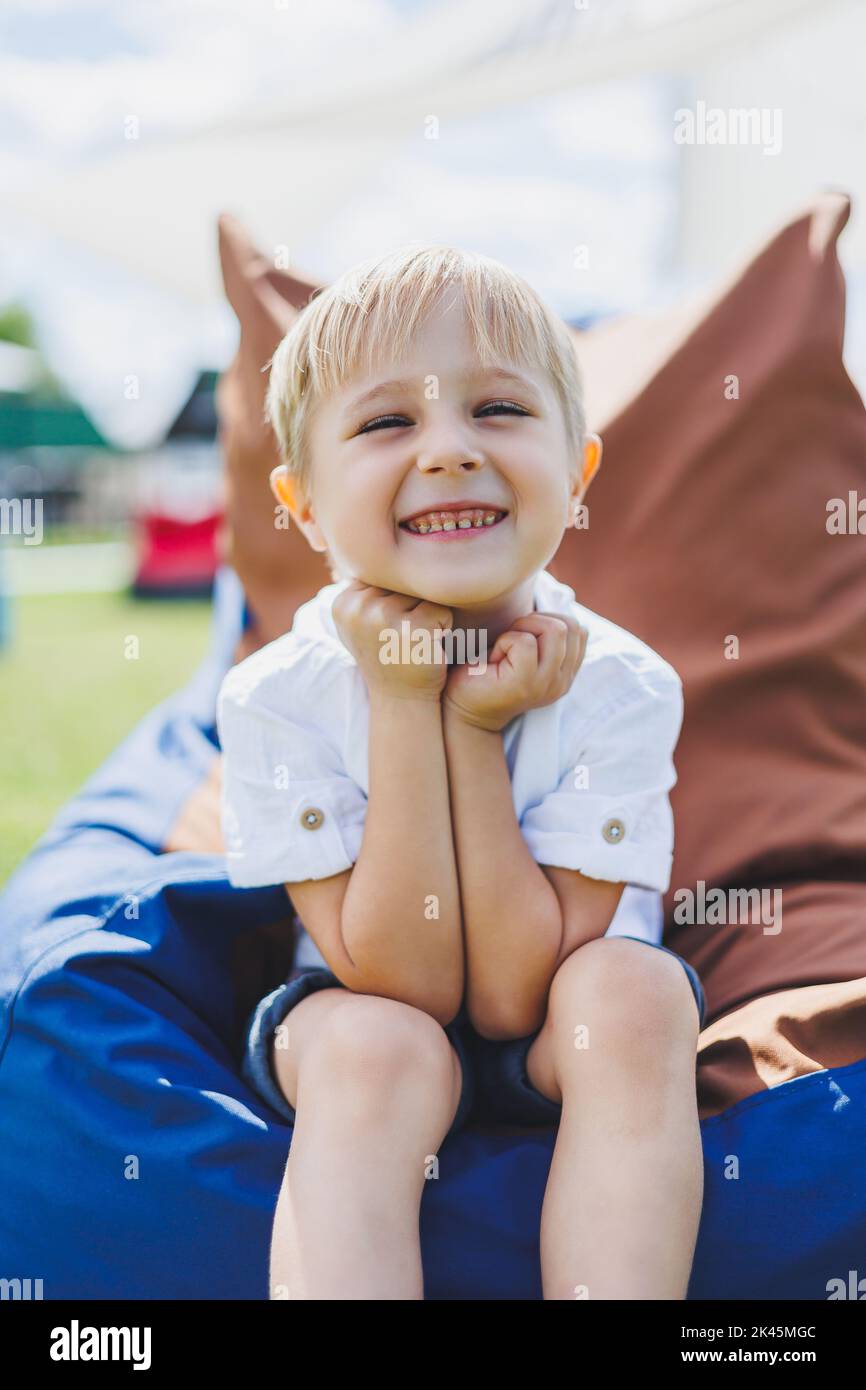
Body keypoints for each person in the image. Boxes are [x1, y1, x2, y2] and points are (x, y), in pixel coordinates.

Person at [216, 243, 706, 1301]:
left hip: (553, 1016)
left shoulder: (622, 684)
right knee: (373, 1048)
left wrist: (475, 736)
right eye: (387, 422)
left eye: (496, 410)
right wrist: (403, 703)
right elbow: (405, 983)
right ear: (300, 505)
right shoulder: (276, 697)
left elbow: (507, 997)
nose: (447, 451)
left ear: (574, 475)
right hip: (367, 990)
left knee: (632, 991)